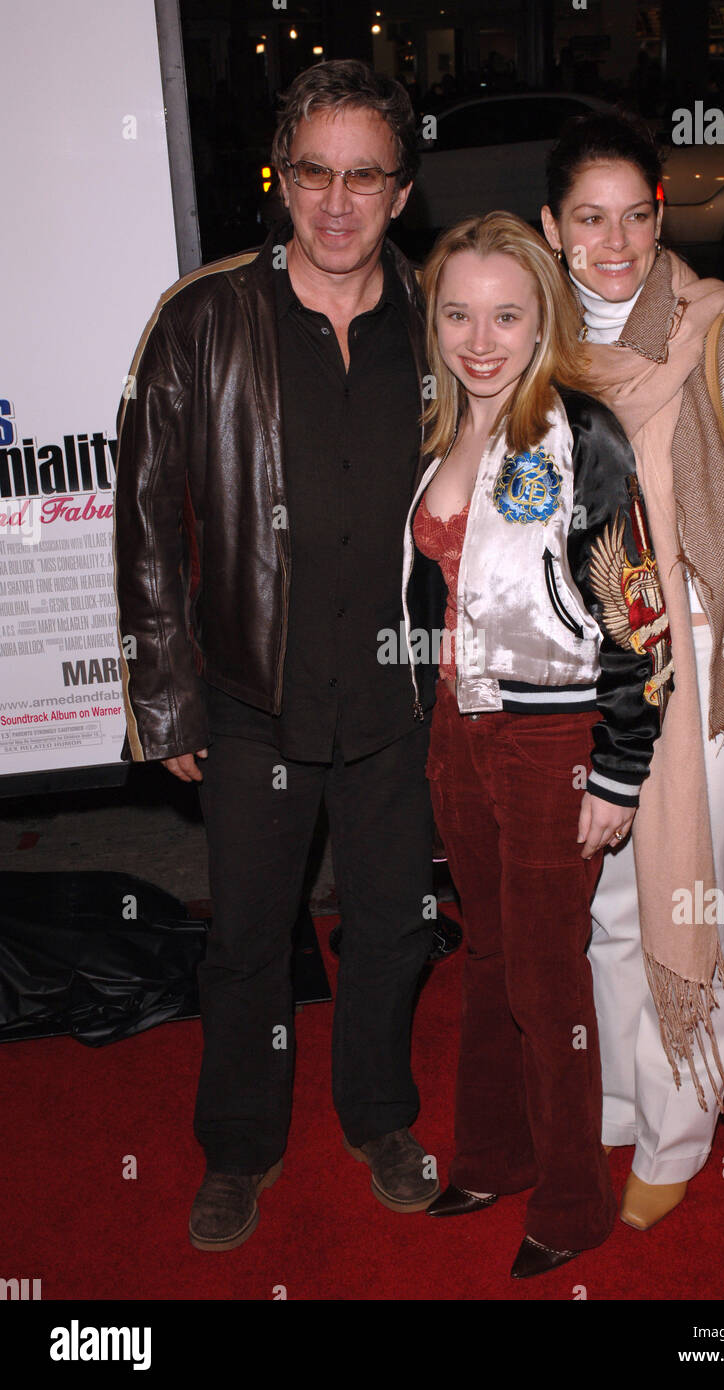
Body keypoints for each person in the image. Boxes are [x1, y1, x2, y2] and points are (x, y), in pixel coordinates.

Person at [113, 59, 446, 1252]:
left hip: (402, 695)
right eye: (315, 172)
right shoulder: (204, 317)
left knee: (394, 924)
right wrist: (168, 699)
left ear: (401, 191)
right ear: (280, 175)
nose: (338, 202)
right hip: (251, 696)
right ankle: (240, 1147)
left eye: (365, 176)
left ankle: (378, 1118)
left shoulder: (440, 315)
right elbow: (146, 517)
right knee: (248, 942)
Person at [540, 111, 724, 1230]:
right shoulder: (532, 346)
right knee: (607, 907)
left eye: (635, 214)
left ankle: (679, 1124)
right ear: (553, 230)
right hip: (582, 673)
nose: (614, 241)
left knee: (686, 898)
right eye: (588, 218)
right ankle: (622, 1096)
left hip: (702, 678)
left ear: (661, 212)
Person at [405, 211, 670, 1277]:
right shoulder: (436, 424)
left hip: (551, 734)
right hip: (455, 728)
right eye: (459, 313)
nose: (481, 337)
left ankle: (572, 1199)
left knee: (546, 980)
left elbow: (635, 613)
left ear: (540, 316)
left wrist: (618, 763)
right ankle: (492, 1151)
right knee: (489, 955)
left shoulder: (580, 431)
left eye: (506, 314)